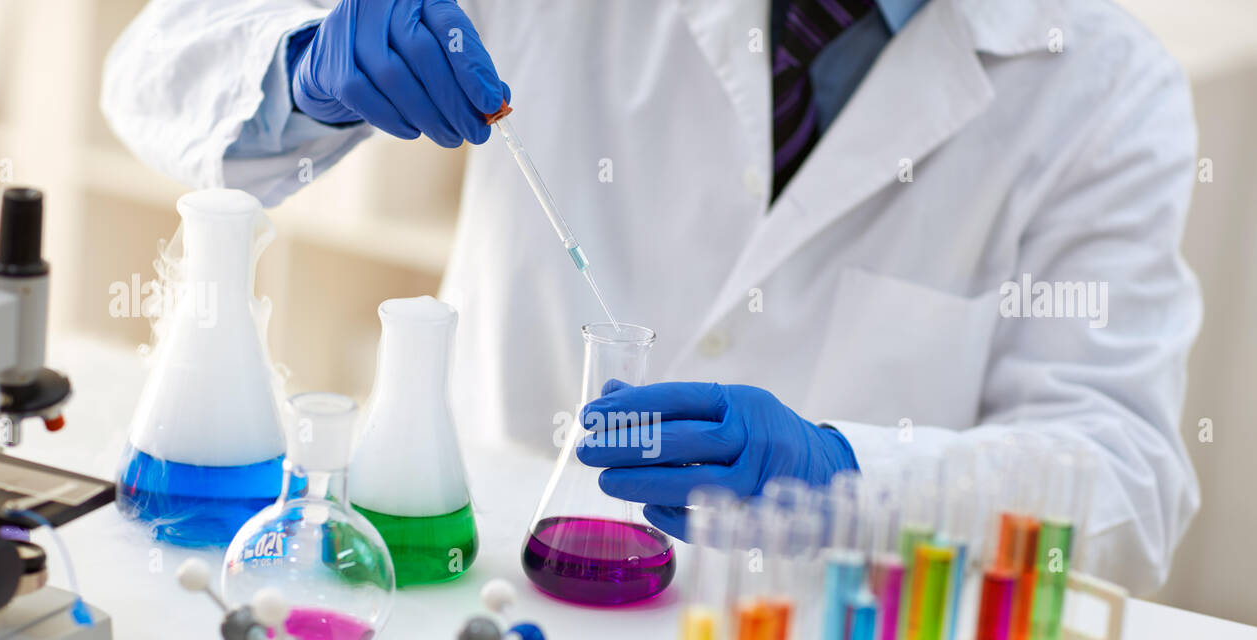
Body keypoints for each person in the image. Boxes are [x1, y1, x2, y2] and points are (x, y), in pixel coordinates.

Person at [102, 0, 1201, 594]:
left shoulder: (1103, 87)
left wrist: (848, 473)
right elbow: (156, 66)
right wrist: (304, 63)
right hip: (477, 584)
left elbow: (1127, 481)